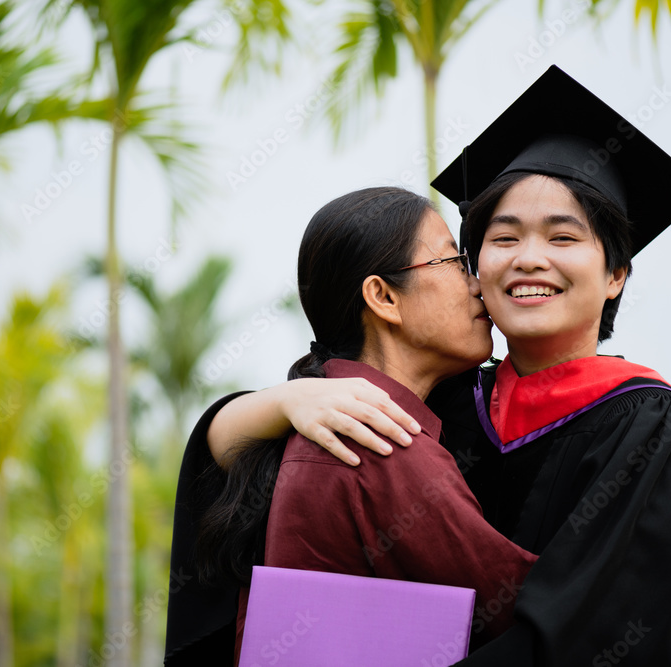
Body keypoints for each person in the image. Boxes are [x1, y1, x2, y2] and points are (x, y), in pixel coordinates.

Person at [165, 65, 671, 666]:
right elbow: (225, 459)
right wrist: (286, 400)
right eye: (502, 239)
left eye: (563, 239)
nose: (529, 260)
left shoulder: (651, 425)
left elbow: (602, 634)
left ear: (615, 274)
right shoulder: (434, 406)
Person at [179, 186, 537, 665]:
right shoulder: (378, 438)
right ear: (384, 297)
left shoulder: (322, 418)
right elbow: (519, 601)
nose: (478, 285)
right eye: (454, 262)